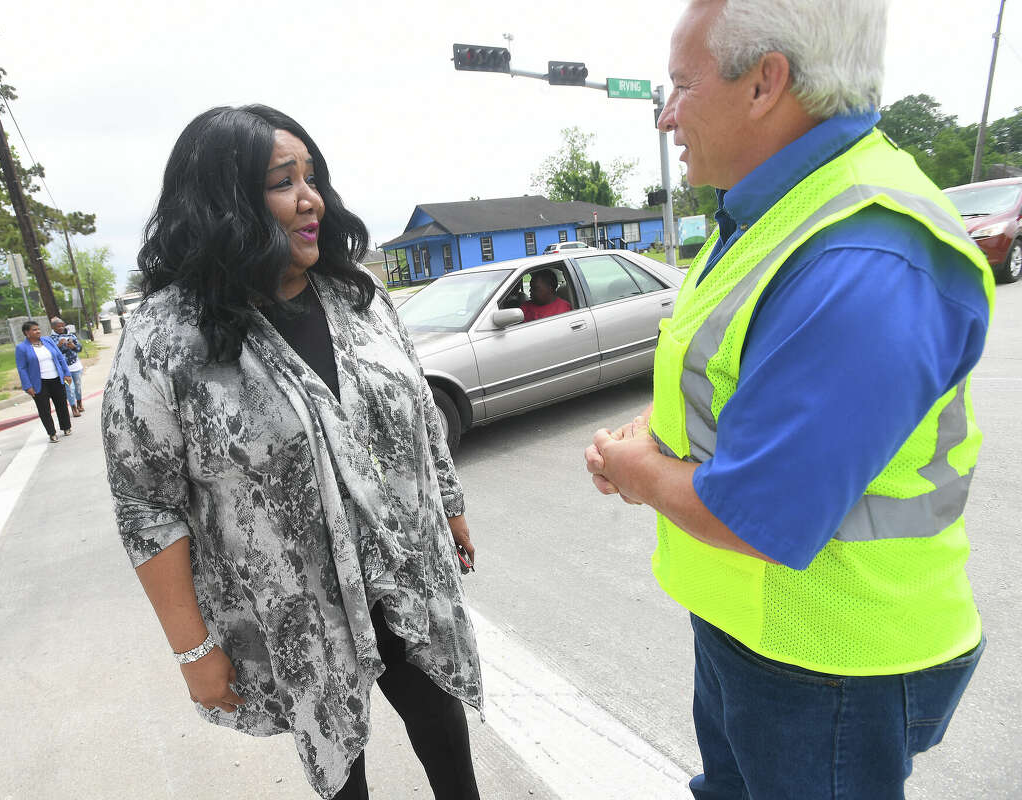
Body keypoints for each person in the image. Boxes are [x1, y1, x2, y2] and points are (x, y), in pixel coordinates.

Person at [583, 1, 994, 798]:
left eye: (680, 87)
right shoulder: (771, 212)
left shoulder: (865, 255)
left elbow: (760, 513)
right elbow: (738, 391)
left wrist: (640, 474)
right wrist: (650, 438)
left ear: (766, 82)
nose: (667, 117)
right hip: (755, 629)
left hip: (833, 663)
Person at [101, 105, 483, 800]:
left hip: (406, 573)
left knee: (447, 748)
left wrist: (450, 509)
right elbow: (145, 504)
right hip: (300, 608)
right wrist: (193, 650)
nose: (312, 199)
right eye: (284, 181)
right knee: (343, 774)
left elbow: (419, 415)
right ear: (225, 201)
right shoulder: (164, 336)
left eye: (313, 177)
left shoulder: (357, 298)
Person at [14, 321, 73, 443]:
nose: (38, 331)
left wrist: (66, 373)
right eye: (34, 330)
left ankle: (66, 427)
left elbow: (60, 358)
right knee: (44, 409)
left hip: (56, 378)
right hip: (39, 383)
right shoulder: (21, 348)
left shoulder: (48, 341)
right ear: (27, 333)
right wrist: (27, 386)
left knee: (61, 404)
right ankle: (52, 433)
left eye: (38, 329)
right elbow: (22, 368)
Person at [49, 316, 84, 417]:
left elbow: (79, 348)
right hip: (64, 369)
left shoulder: (71, 335)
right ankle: (73, 408)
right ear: (53, 328)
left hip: (75, 366)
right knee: (69, 388)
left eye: (61, 326)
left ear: (64, 325)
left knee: (77, 386)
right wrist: (58, 346)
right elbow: (51, 353)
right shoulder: (51, 339)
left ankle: (79, 403)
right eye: (57, 327)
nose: (60, 328)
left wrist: (74, 347)